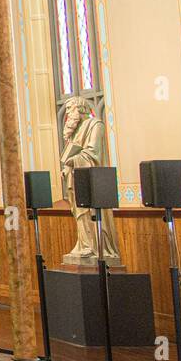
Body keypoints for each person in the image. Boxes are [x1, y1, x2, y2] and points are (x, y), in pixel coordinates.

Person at [59, 96, 120, 266]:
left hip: (93, 182)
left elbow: (93, 153)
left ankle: (94, 246)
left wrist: (73, 160)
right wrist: (67, 167)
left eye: (70, 109)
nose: (68, 114)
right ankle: (85, 243)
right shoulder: (75, 131)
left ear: (81, 109)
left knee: (91, 212)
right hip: (75, 177)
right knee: (80, 213)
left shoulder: (96, 125)